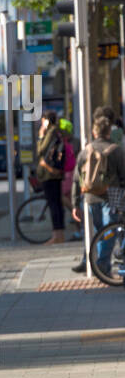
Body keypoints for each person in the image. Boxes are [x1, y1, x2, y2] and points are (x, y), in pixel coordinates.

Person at [70, 115, 125, 274]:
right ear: (109, 132)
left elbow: (76, 179)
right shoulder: (116, 150)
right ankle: (102, 264)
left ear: (94, 133)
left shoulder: (85, 151)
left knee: (97, 230)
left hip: (90, 195)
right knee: (110, 231)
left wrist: (74, 204)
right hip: (113, 194)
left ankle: (99, 265)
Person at [36, 112, 67, 243]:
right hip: (56, 172)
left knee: (53, 204)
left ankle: (57, 235)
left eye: (43, 121)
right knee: (57, 204)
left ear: (47, 121)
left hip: (49, 173)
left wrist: (40, 136)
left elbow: (40, 150)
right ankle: (60, 234)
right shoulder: (58, 131)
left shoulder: (50, 132)